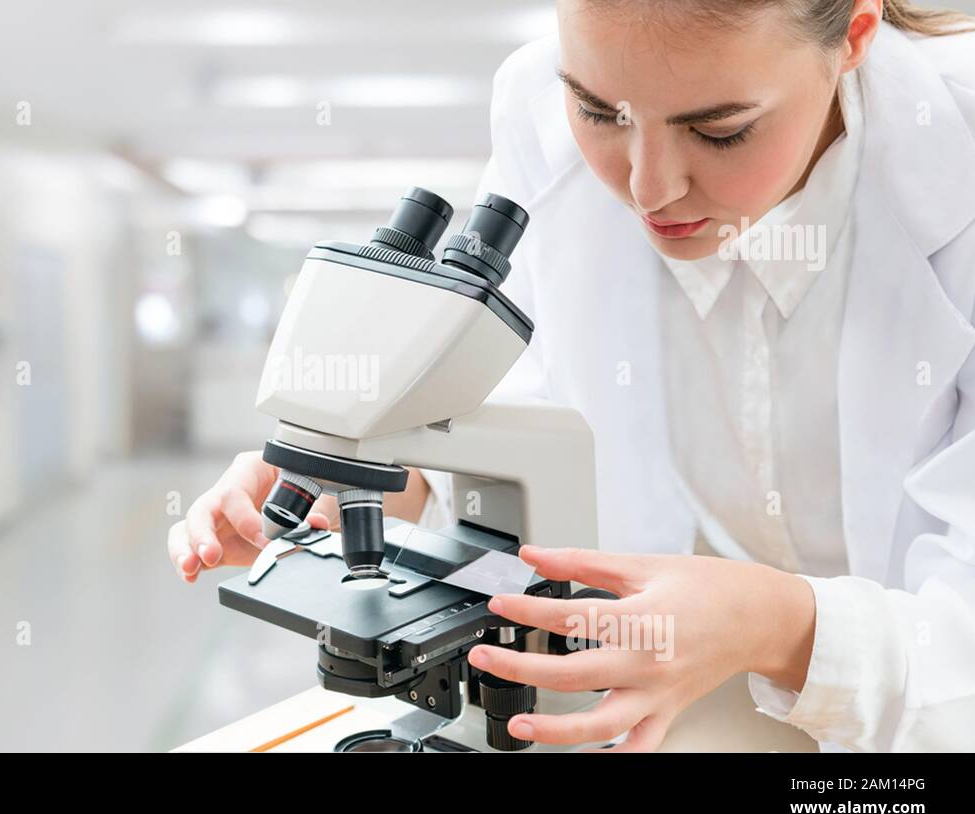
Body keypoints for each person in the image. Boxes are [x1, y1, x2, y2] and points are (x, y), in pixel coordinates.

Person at [166, 0, 975, 752]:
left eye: (720, 130)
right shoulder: (533, 109)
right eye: (598, 112)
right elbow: (516, 423)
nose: (648, 188)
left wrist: (781, 626)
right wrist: (362, 478)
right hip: (677, 688)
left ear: (855, 36)